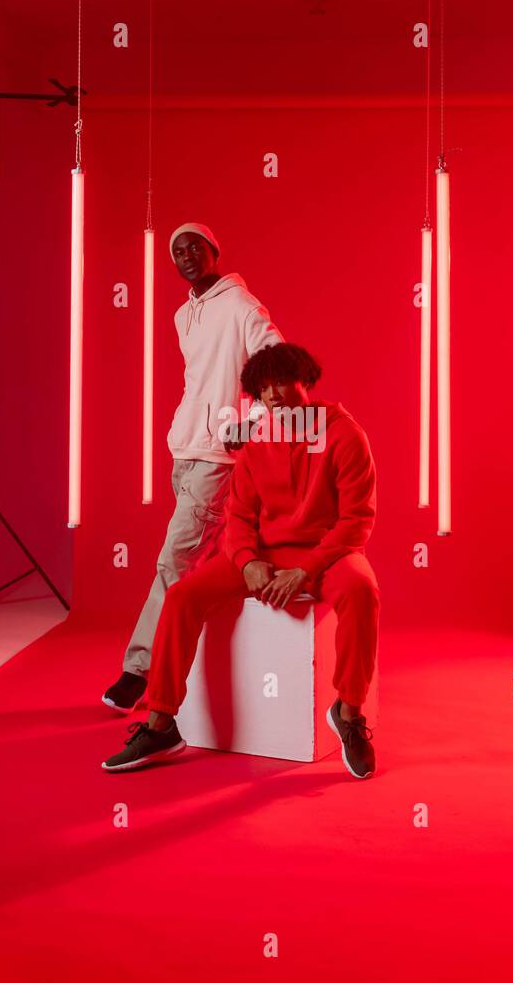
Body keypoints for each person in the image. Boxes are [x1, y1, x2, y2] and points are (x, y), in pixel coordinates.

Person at [101, 342, 380, 779]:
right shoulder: (255, 441)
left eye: (281, 383)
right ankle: (161, 723)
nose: (272, 395)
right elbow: (239, 515)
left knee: (362, 590)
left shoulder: (345, 435)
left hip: (326, 555)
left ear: (304, 381)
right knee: (182, 595)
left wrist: (305, 570)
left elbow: (355, 521)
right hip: (263, 553)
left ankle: (348, 711)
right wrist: (248, 561)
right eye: (262, 390)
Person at [101, 223, 283, 712]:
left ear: (214, 251)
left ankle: (140, 670)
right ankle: (209, 669)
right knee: (200, 563)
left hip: (216, 458)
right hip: (183, 451)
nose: (185, 256)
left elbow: (277, 364)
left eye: (194, 247)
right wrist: (182, 431)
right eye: (177, 251)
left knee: (172, 563)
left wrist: (252, 420)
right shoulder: (184, 314)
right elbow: (197, 381)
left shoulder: (243, 305)